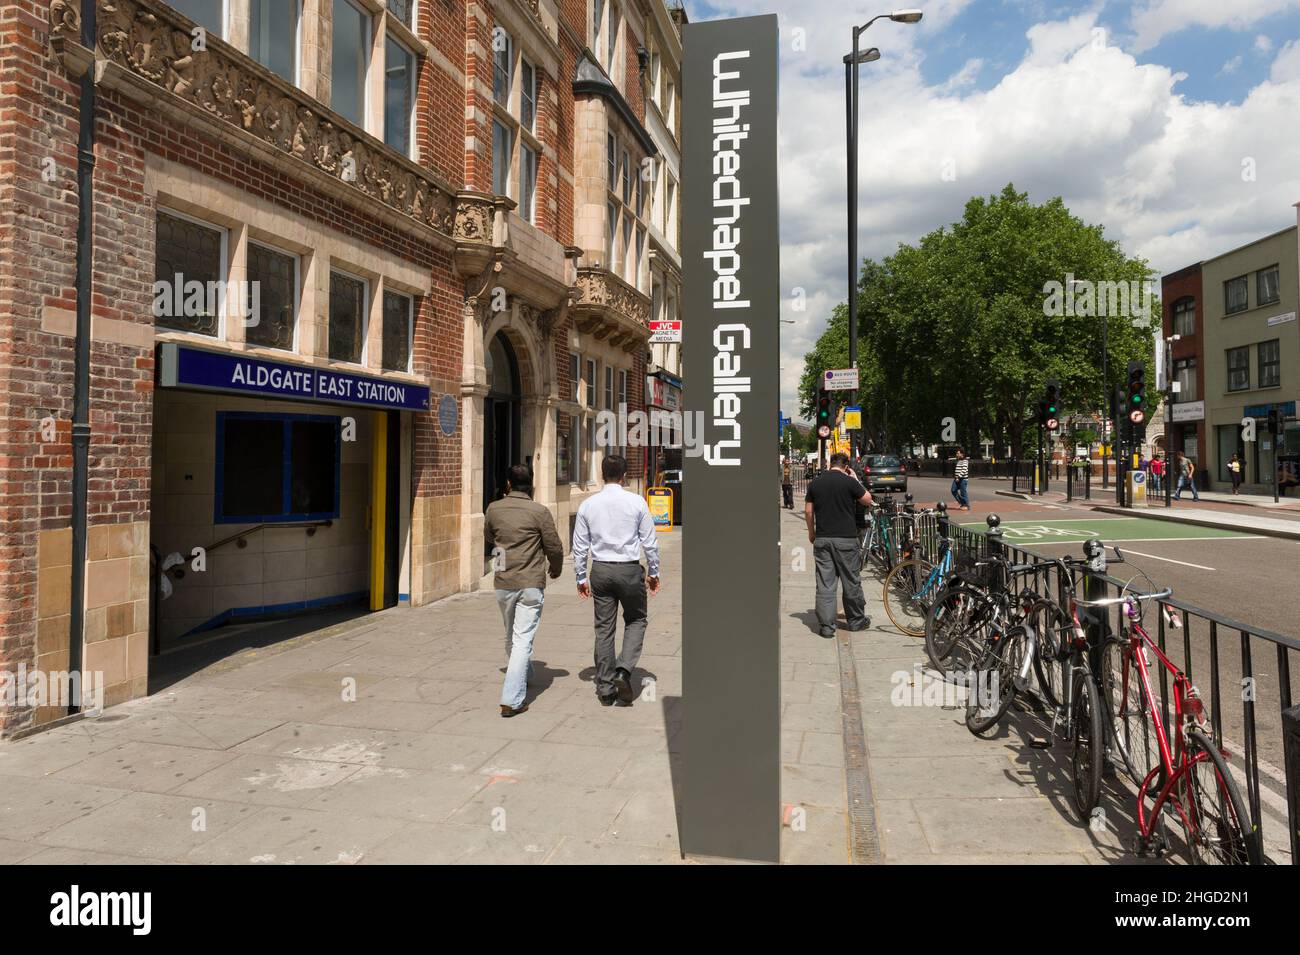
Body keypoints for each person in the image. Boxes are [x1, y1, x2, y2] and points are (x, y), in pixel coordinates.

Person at [572, 454, 661, 707]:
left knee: (604, 629)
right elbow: (650, 543)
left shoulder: (588, 505)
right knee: (636, 619)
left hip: (600, 570)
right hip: (629, 569)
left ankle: (606, 688)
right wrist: (653, 573)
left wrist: (580, 577)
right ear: (624, 477)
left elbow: (580, 547)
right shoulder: (636, 502)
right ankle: (623, 669)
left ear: (601, 475)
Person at [484, 464, 564, 718]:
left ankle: (522, 675)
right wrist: (556, 568)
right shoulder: (539, 511)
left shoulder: (494, 508)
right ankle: (512, 700)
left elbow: (489, 537)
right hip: (530, 582)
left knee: (512, 636)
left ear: (508, 484)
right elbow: (554, 545)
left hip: (504, 581)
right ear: (531, 485)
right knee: (522, 639)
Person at [804, 451, 873, 638]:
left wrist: (812, 533)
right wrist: (856, 478)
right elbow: (867, 500)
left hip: (823, 539)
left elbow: (809, 512)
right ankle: (856, 621)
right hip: (846, 540)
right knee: (851, 581)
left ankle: (826, 627)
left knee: (825, 583)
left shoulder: (815, 484)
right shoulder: (849, 482)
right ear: (846, 467)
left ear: (829, 464)